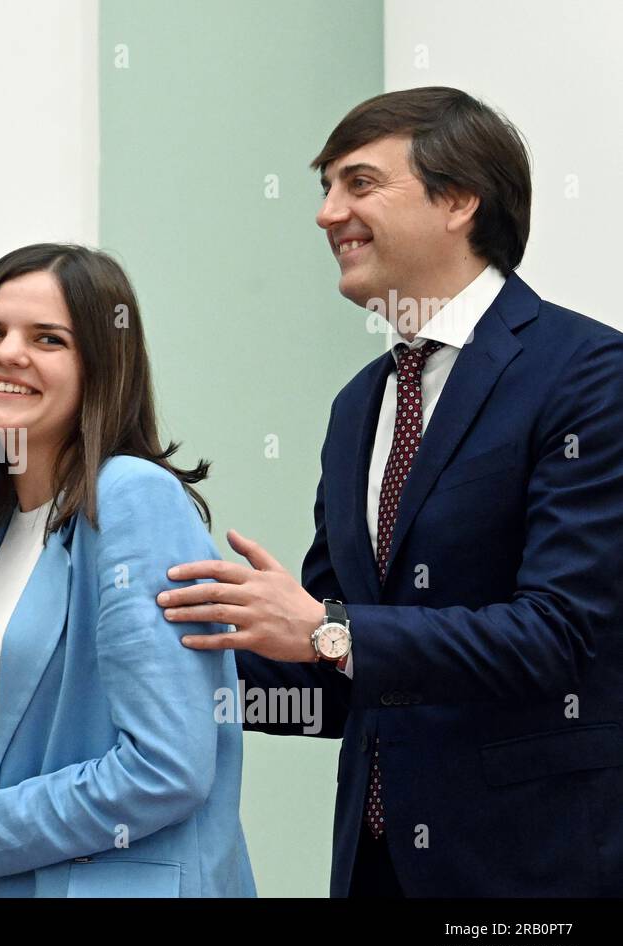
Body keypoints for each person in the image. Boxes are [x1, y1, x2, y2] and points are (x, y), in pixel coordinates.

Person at [158, 87, 623, 896]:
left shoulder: (589, 374)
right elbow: (338, 684)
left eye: (359, 183)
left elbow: (557, 637)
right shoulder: (357, 407)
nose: (326, 213)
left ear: (460, 200)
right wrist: (160, 671)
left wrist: (328, 632)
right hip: (374, 874)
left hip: (534, 877)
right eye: (324, 188)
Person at [0, 244, 255, 897]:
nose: (7, 353)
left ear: (100, 367)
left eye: (48, 339)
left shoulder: (132, 497)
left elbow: (166, 767)